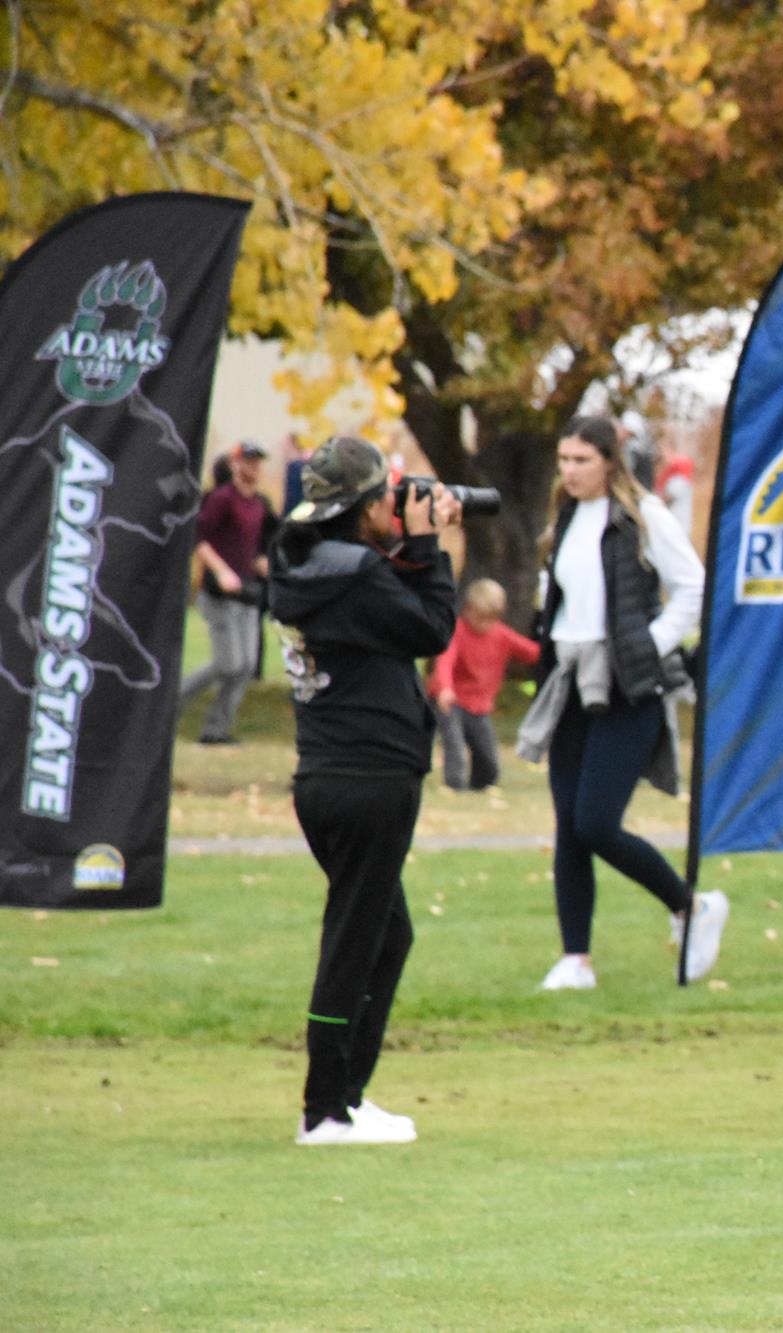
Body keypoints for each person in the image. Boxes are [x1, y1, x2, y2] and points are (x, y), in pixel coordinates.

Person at [269, 436, 460, 1145]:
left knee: (387, 932)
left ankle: (346, 1096)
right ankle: (323, 1109)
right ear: (366, 505)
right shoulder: (358, 576)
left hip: (322, 774)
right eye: (386, 495)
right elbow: (433, 627)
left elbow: (383, 609)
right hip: (371, 777)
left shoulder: (301, 564)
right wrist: (429, 547)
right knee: (354, 939)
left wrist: (405, 547)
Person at [523, 414, 726, 992]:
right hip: (568, 681)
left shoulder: (644, 516)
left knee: (594, 822)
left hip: (628, 688)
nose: (570, 471)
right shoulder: (563, 519)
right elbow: (559, 597)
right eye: (563, 461)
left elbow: (692, 587)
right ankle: (575, 960)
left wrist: (648, 646)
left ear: (610, 461)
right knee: (568, 827)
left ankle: (691, 907)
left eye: (581, 460)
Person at [180, 440, 276, 744]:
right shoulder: (222, 498)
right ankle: (170, 705)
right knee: (227, 664)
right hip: (219, 594)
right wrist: (220, 571)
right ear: (236, 464)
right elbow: (199, 538)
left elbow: (257, 546)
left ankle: (217, 729)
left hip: (247, 592)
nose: (254, 467)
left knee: (246, 665)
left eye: (258, 462)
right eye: (248, 461)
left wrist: (264, 566)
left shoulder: (260, 504)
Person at [429, 577, 540, 792]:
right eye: (480, 618)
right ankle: (455, 785)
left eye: (491, 619)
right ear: (468, 609)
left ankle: (482, 783)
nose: (485, 625)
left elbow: (531, 652)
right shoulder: (458, 631)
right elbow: (445, 661)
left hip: (480, 704)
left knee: (488, 755)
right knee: (456, 747)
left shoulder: (501, 635)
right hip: (451, 701)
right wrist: (444, 688)